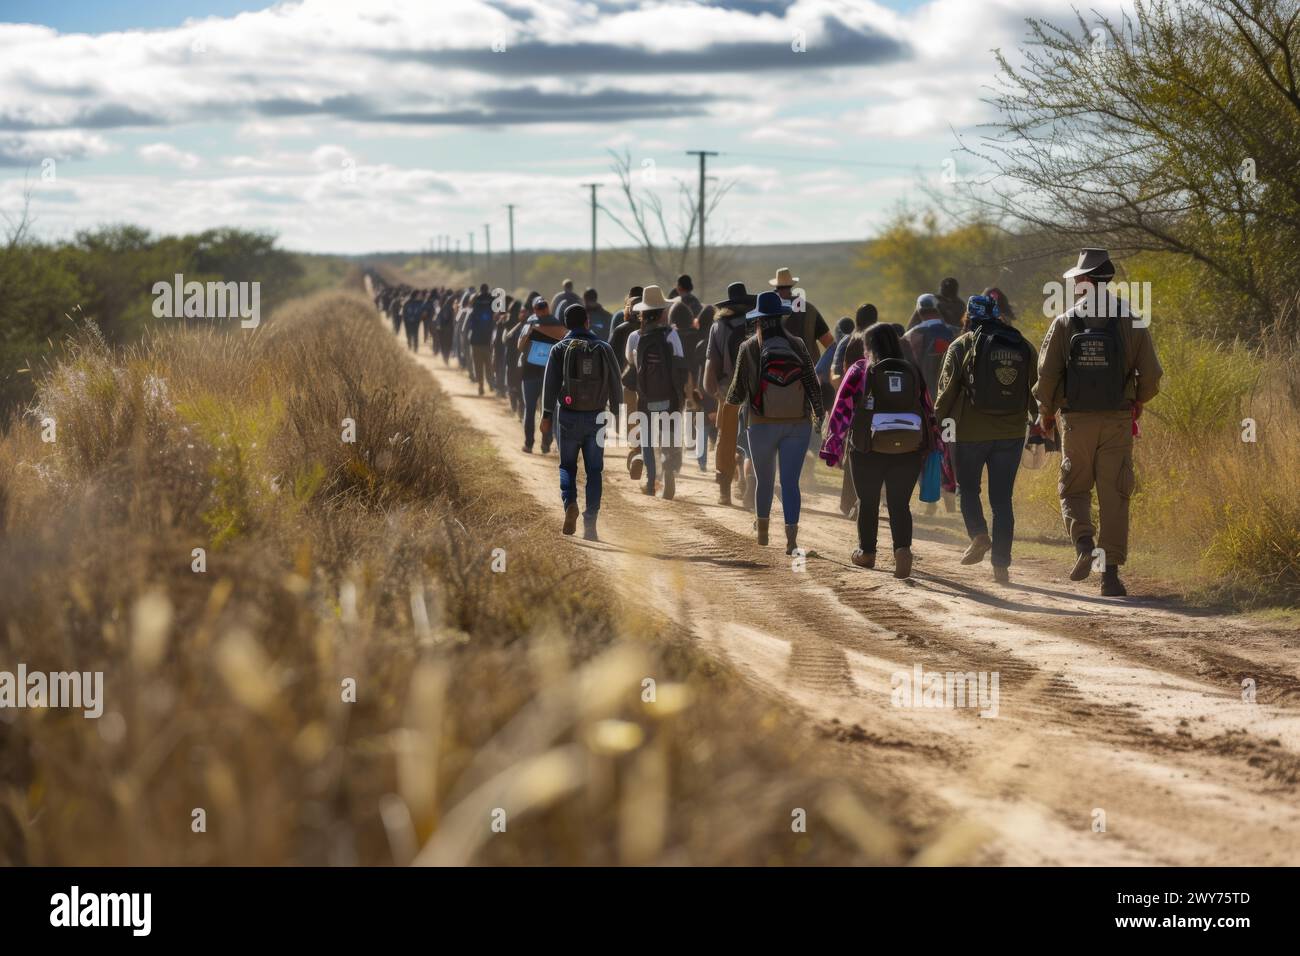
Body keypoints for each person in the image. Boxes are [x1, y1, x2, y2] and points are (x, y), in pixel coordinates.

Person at [1034, 248, 1163, 596]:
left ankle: (1083, 544)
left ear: (1088, 280)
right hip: (1118, 420)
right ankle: (1110, 577)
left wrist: (1046, 413)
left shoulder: (1064, 321)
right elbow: (1151, 376)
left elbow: (1047, 376)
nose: (1075, 282)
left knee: (1073, 488)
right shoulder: (1132, 318)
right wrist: (1136, 401)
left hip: (1076, 421)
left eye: (1078, 277)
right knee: (1115, 494)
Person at [821, 322, 943, 578]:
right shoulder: (913, 371)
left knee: (868, 502)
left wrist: (833, 445)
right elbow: (928, 410)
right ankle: (902, 551)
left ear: (869, 346)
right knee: (900, 504)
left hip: (867, 448)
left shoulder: (860, 370)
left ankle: (867, 553)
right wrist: (935, 446)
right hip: (909, 449)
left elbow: (842, 409)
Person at [933, 294, 1038, 584]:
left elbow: (947, 390)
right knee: (1002, 500)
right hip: (1012, 433)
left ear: (969, 317)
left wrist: (938, 421)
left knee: (968, 489)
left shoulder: (961, 344)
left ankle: (979, 534)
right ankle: (1001, 566)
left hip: (969, 432)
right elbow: (1036, 389)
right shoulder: (1021, 344)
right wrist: (1039, 423)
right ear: (997, 315)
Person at [720, 291, 825, 554]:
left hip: (761, 423)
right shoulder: (798, 344)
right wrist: (818, 415)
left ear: (758, 320)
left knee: (764, 480)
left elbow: (735, 393)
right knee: (790, 483)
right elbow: (812, 384)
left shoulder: (748, 348)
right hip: (797, 425)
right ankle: (791, 540)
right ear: (781, 317)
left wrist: (728, 416)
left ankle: (764, 533)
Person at [540, 303, 624, 541]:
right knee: (594, 471)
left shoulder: (559, 348)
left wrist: (546, 415)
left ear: (566, 324)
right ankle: (591, 524)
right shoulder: (604, 348)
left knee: (567, 466)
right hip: (597, 417)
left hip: (567, 415)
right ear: (587, 321)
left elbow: (550, 385)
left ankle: (570, 504)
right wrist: (618, 413)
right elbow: (616, 383)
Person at [625, 285, 688, 498]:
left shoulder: (635, 336)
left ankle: (651, 481)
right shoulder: (671, 335)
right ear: (663, 312)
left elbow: (631, 362)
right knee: (668, 436)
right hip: (669, 396)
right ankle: (668, 468)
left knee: (647, 441)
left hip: (645, 396)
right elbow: (680, 364)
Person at [705, 282, 757, 506]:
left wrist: (712, 390)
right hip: (755, 388)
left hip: (728, 389)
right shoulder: (757, 323)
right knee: (752, 436)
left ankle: (725, 490)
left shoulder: (718, 327)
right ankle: (748, 481)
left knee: (725, 439)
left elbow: (712, 363)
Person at [517, 297, 566, 454]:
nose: (542, 309)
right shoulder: (529, 323)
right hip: (532, 373)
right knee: (531, 409)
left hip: (548, 374)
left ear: (548, 308)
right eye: (539, 307)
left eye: (544, 306)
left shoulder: (555, 323)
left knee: (547, 411)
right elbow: (519, 346)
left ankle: (546, 443)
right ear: (534, 309)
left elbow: (562, 336)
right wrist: (529, 332)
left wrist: (538, 329)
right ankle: (529, 443)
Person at [768, 266, 833, 361]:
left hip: (780, 372)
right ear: (791, 287)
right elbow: (829, 343)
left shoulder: (770, 312)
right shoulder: (809, 309)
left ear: (776, 288)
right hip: (810, 370)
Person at [466, 283, 496, 395]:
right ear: (488, 290)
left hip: (475, 340)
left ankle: (480, 385)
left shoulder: (475, 301)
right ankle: (491, 383)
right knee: (489, 364)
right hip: (488, 340)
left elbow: (469, 309)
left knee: (478, 365)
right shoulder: (492, 300)